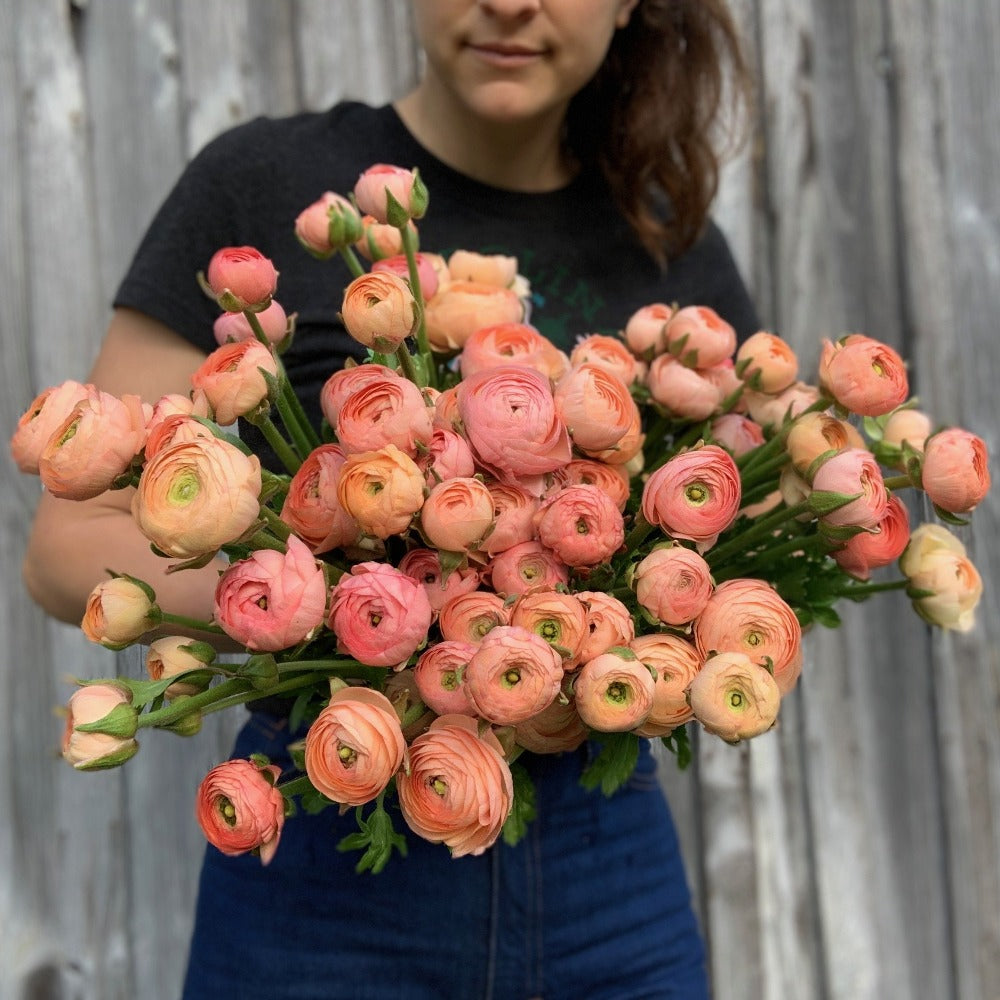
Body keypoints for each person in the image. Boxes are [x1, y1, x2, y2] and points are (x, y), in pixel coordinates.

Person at [23, 1, 758, 997]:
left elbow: (740, 560)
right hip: (325, 851)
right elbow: (69, 542)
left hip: (602, 866)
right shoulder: (264, 182)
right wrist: (320, 604)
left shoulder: (672, 251)